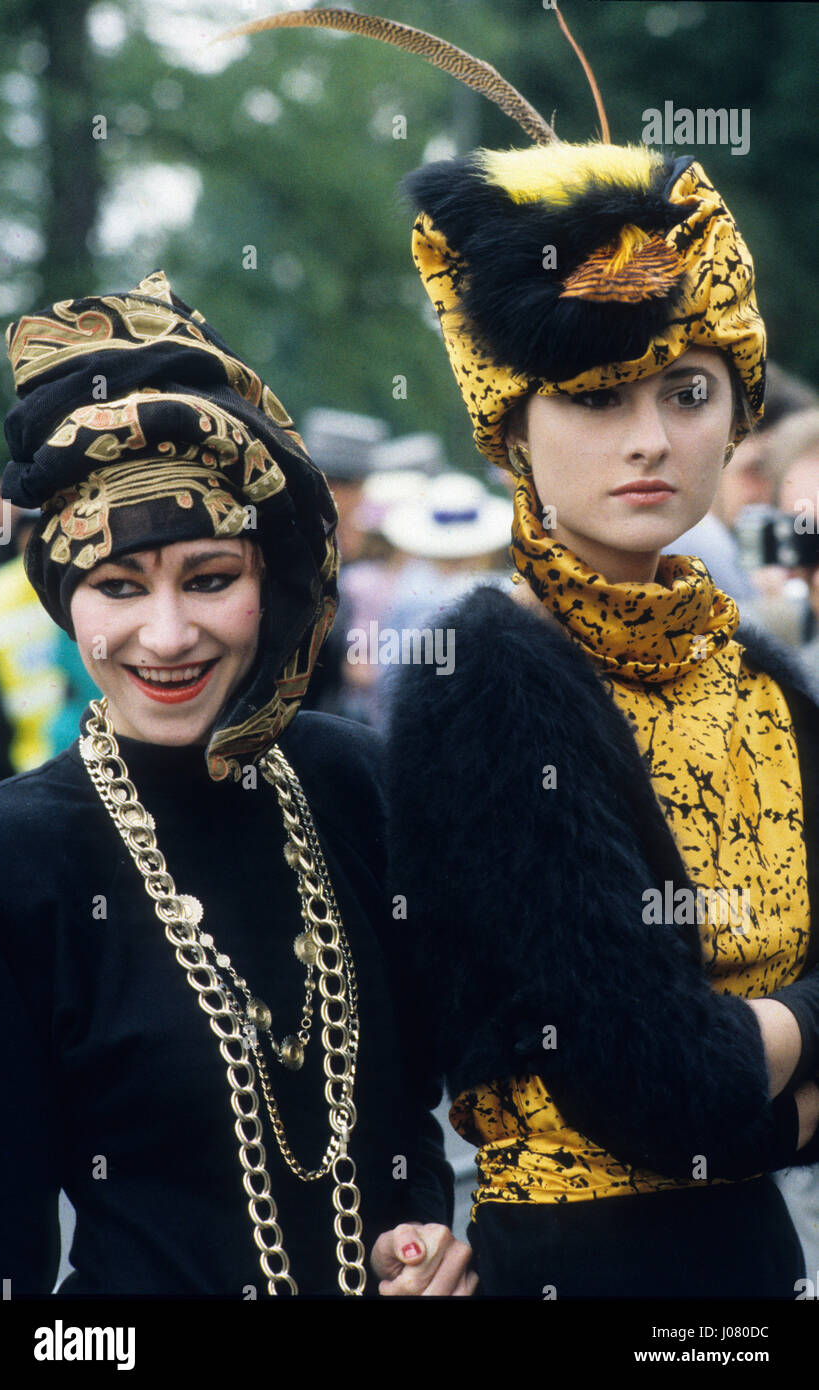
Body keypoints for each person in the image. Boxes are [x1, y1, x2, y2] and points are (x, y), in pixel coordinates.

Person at [241, 6, 819, 1297]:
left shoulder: (760, 676)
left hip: (755, 1263)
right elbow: (647, 1078)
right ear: (510, 425)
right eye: (594, 397)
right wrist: (762, 1070)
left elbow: (699, 1081)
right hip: (579, 1270)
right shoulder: (485, 674)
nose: (647, 440)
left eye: (682, 390)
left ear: (734, 413)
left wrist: (741, 1070)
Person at [0, 269, 472, 1298]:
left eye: (211, 578)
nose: (168, 636)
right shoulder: (13, 858)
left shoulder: (350, 777)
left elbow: (404, 1122)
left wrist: (423, 1241)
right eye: (118, 587)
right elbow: (3, 1251)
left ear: (270, 583)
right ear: (68, 604)